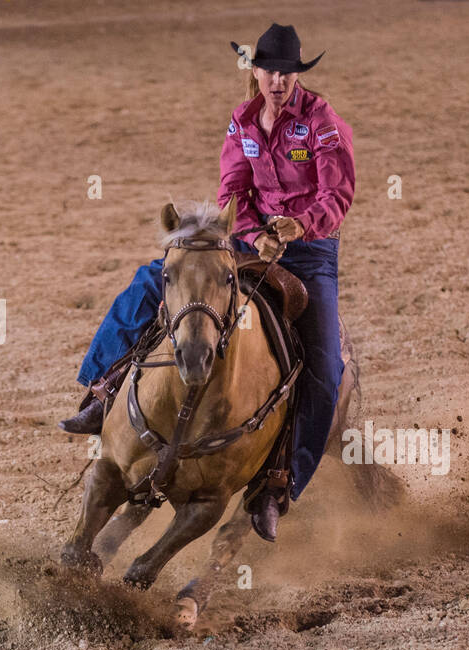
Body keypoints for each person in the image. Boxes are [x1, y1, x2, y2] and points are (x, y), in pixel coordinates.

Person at [59, 23, 355, 543]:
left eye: (286, 72)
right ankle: (100, 391)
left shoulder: (323, 122)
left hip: (309, 254)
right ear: (255, 72)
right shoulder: (242, 120)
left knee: (325, 368)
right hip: (245, 243)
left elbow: (338, 195)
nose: (277, 80)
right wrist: (248, 232)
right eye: (269, 71)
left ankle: (277, 487)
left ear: (296, 75)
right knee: (152, 281)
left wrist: (297, 226)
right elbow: (231, 188)